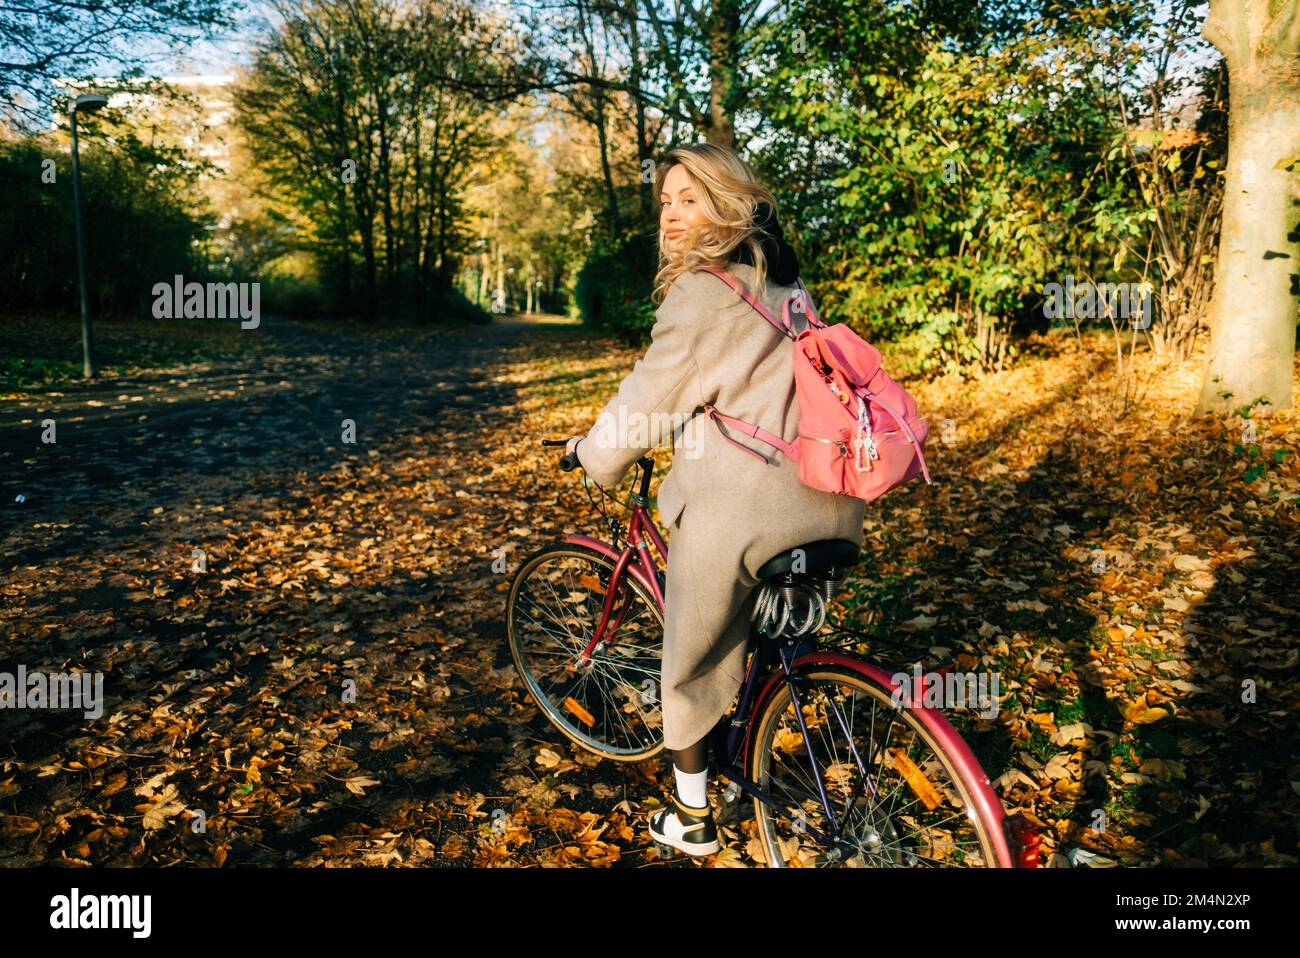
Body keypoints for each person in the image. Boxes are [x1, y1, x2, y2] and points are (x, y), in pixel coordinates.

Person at [565, 143, 867, 856]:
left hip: (747, 510)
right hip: (829, 495)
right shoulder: (783, 281)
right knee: (757, 635)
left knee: (690, 657)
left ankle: (694, 816)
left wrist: (595, 455)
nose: (672, 214)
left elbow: (648, 399)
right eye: (666, 201)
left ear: (729, 203)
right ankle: (759, 724)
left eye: (689, 198)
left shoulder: (701, 290)